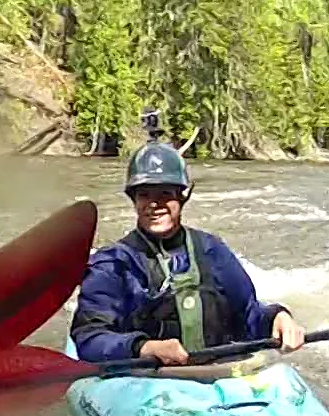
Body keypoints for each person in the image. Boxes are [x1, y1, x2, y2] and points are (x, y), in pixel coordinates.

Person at [71, 136, 305, 366]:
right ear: (134, 200)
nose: (154, 204)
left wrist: (276, 318)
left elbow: (248, 315)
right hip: (144, 378)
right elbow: (90, 338)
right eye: (144, 194)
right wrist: (144, 347)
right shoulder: (113, 263)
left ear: (182, 197)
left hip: (216, 372)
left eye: (165, 194)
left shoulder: (212, 250)